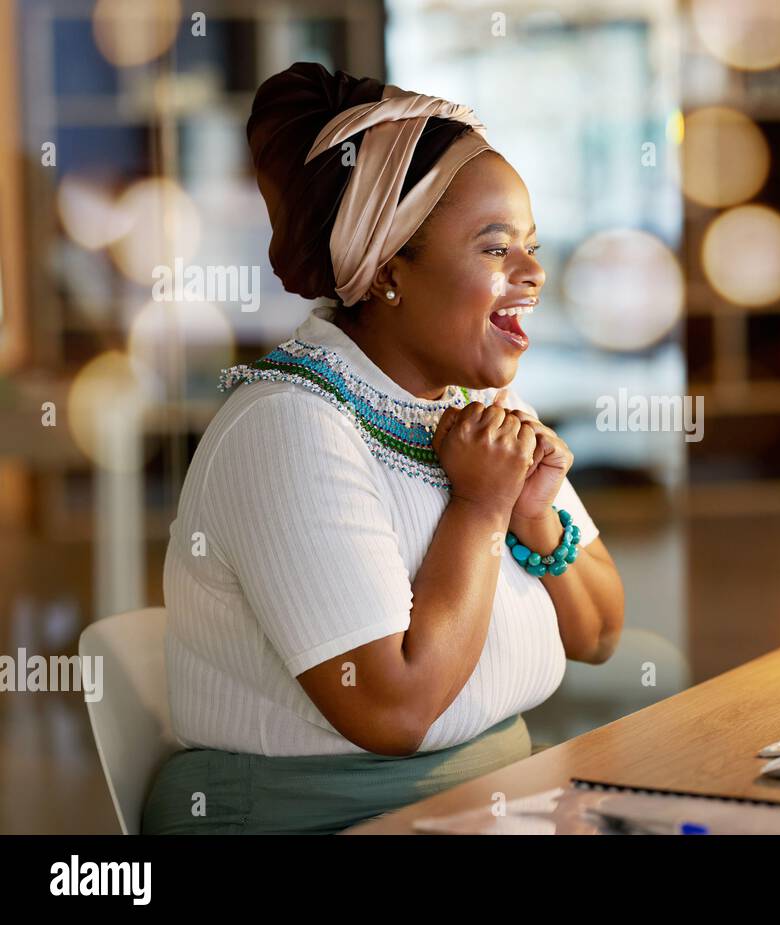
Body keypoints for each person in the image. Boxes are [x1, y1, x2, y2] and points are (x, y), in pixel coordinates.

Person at [142, 62, 625, 834]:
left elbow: (599, 633)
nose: (534, 275)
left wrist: (534, 519)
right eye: (497, 250)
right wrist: (481, 506)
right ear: (391, 269)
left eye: (531, 246)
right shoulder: (287, 427)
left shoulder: (480, 405)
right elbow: (393, 708)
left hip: (497, 801)